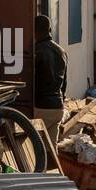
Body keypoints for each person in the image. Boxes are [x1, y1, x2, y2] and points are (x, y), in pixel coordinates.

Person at [33, 15, 68, 148]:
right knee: (52, 150)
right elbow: (64, 83)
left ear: (35, 30)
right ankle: (54, 168)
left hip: (41, 108)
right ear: (50, 30)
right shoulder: (62, 51)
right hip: (57, 108)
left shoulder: (36, 51)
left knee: (33, 149)